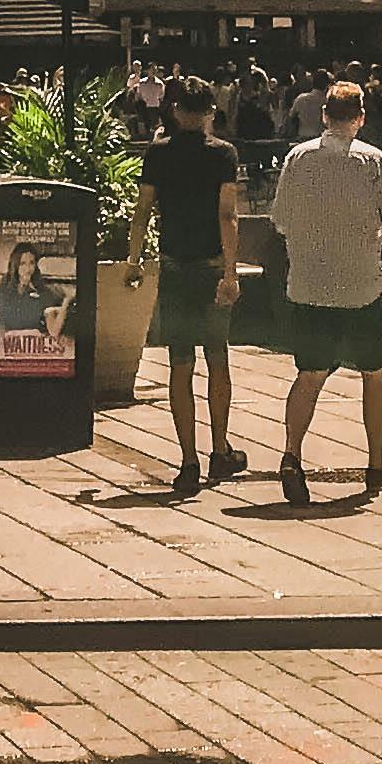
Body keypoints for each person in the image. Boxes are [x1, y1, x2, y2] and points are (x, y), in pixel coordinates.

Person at [268, 81, 382, 508]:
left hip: (309, 286)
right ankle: (376, 463)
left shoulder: (298, 158)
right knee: (375, 375)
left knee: (308, 375)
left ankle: (292, 455)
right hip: (363, 285)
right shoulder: (373, 161)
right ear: (360, 118)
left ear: (324, 116)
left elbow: (280, 221)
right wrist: (372, 240)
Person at [132, 79, 246, 498]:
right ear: (210, 113)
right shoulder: (223, 154)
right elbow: (228, 214)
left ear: (175, 111)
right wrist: (231, 272)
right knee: (218, 356)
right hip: (213, 264)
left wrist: (133, 259)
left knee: (180, 363)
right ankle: (220, 449)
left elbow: (144, 208)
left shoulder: (158, 153)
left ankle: (188, 461)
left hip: (175, 264)